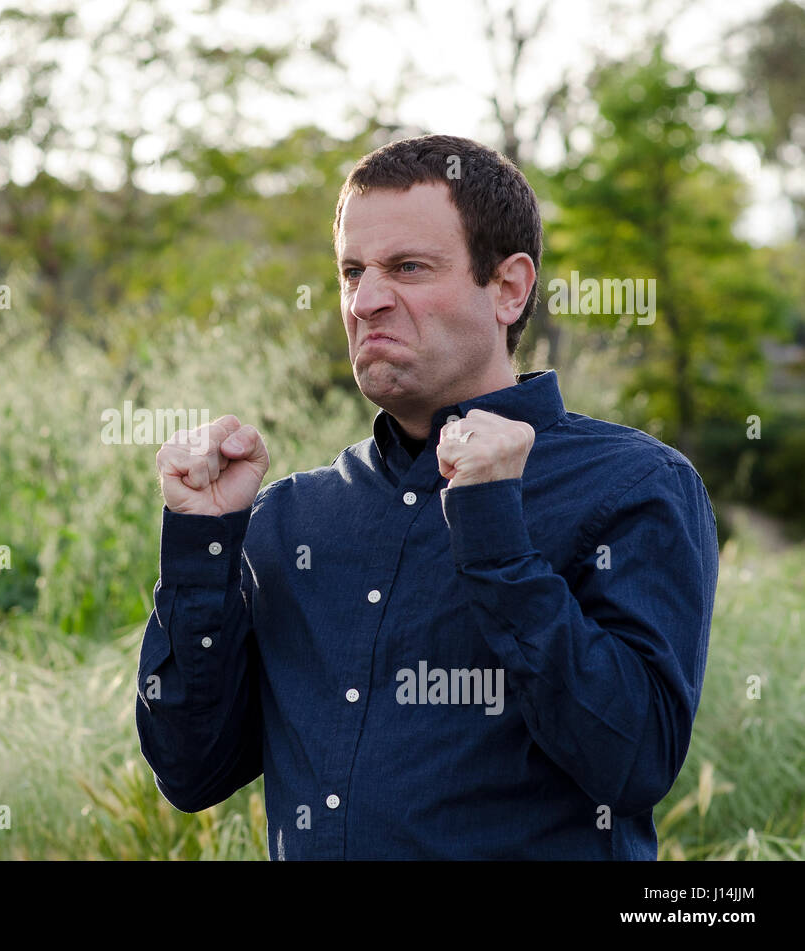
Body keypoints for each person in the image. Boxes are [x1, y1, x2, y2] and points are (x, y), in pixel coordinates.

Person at [134, 134, 719, 860]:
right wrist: (203, 545)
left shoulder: (633, 486)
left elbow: (634, 761)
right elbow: (191, 772)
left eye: (408, 267)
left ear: (509, 287)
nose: (367, 300)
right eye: (353, 272)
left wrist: (497, 540)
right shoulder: (290, 517)